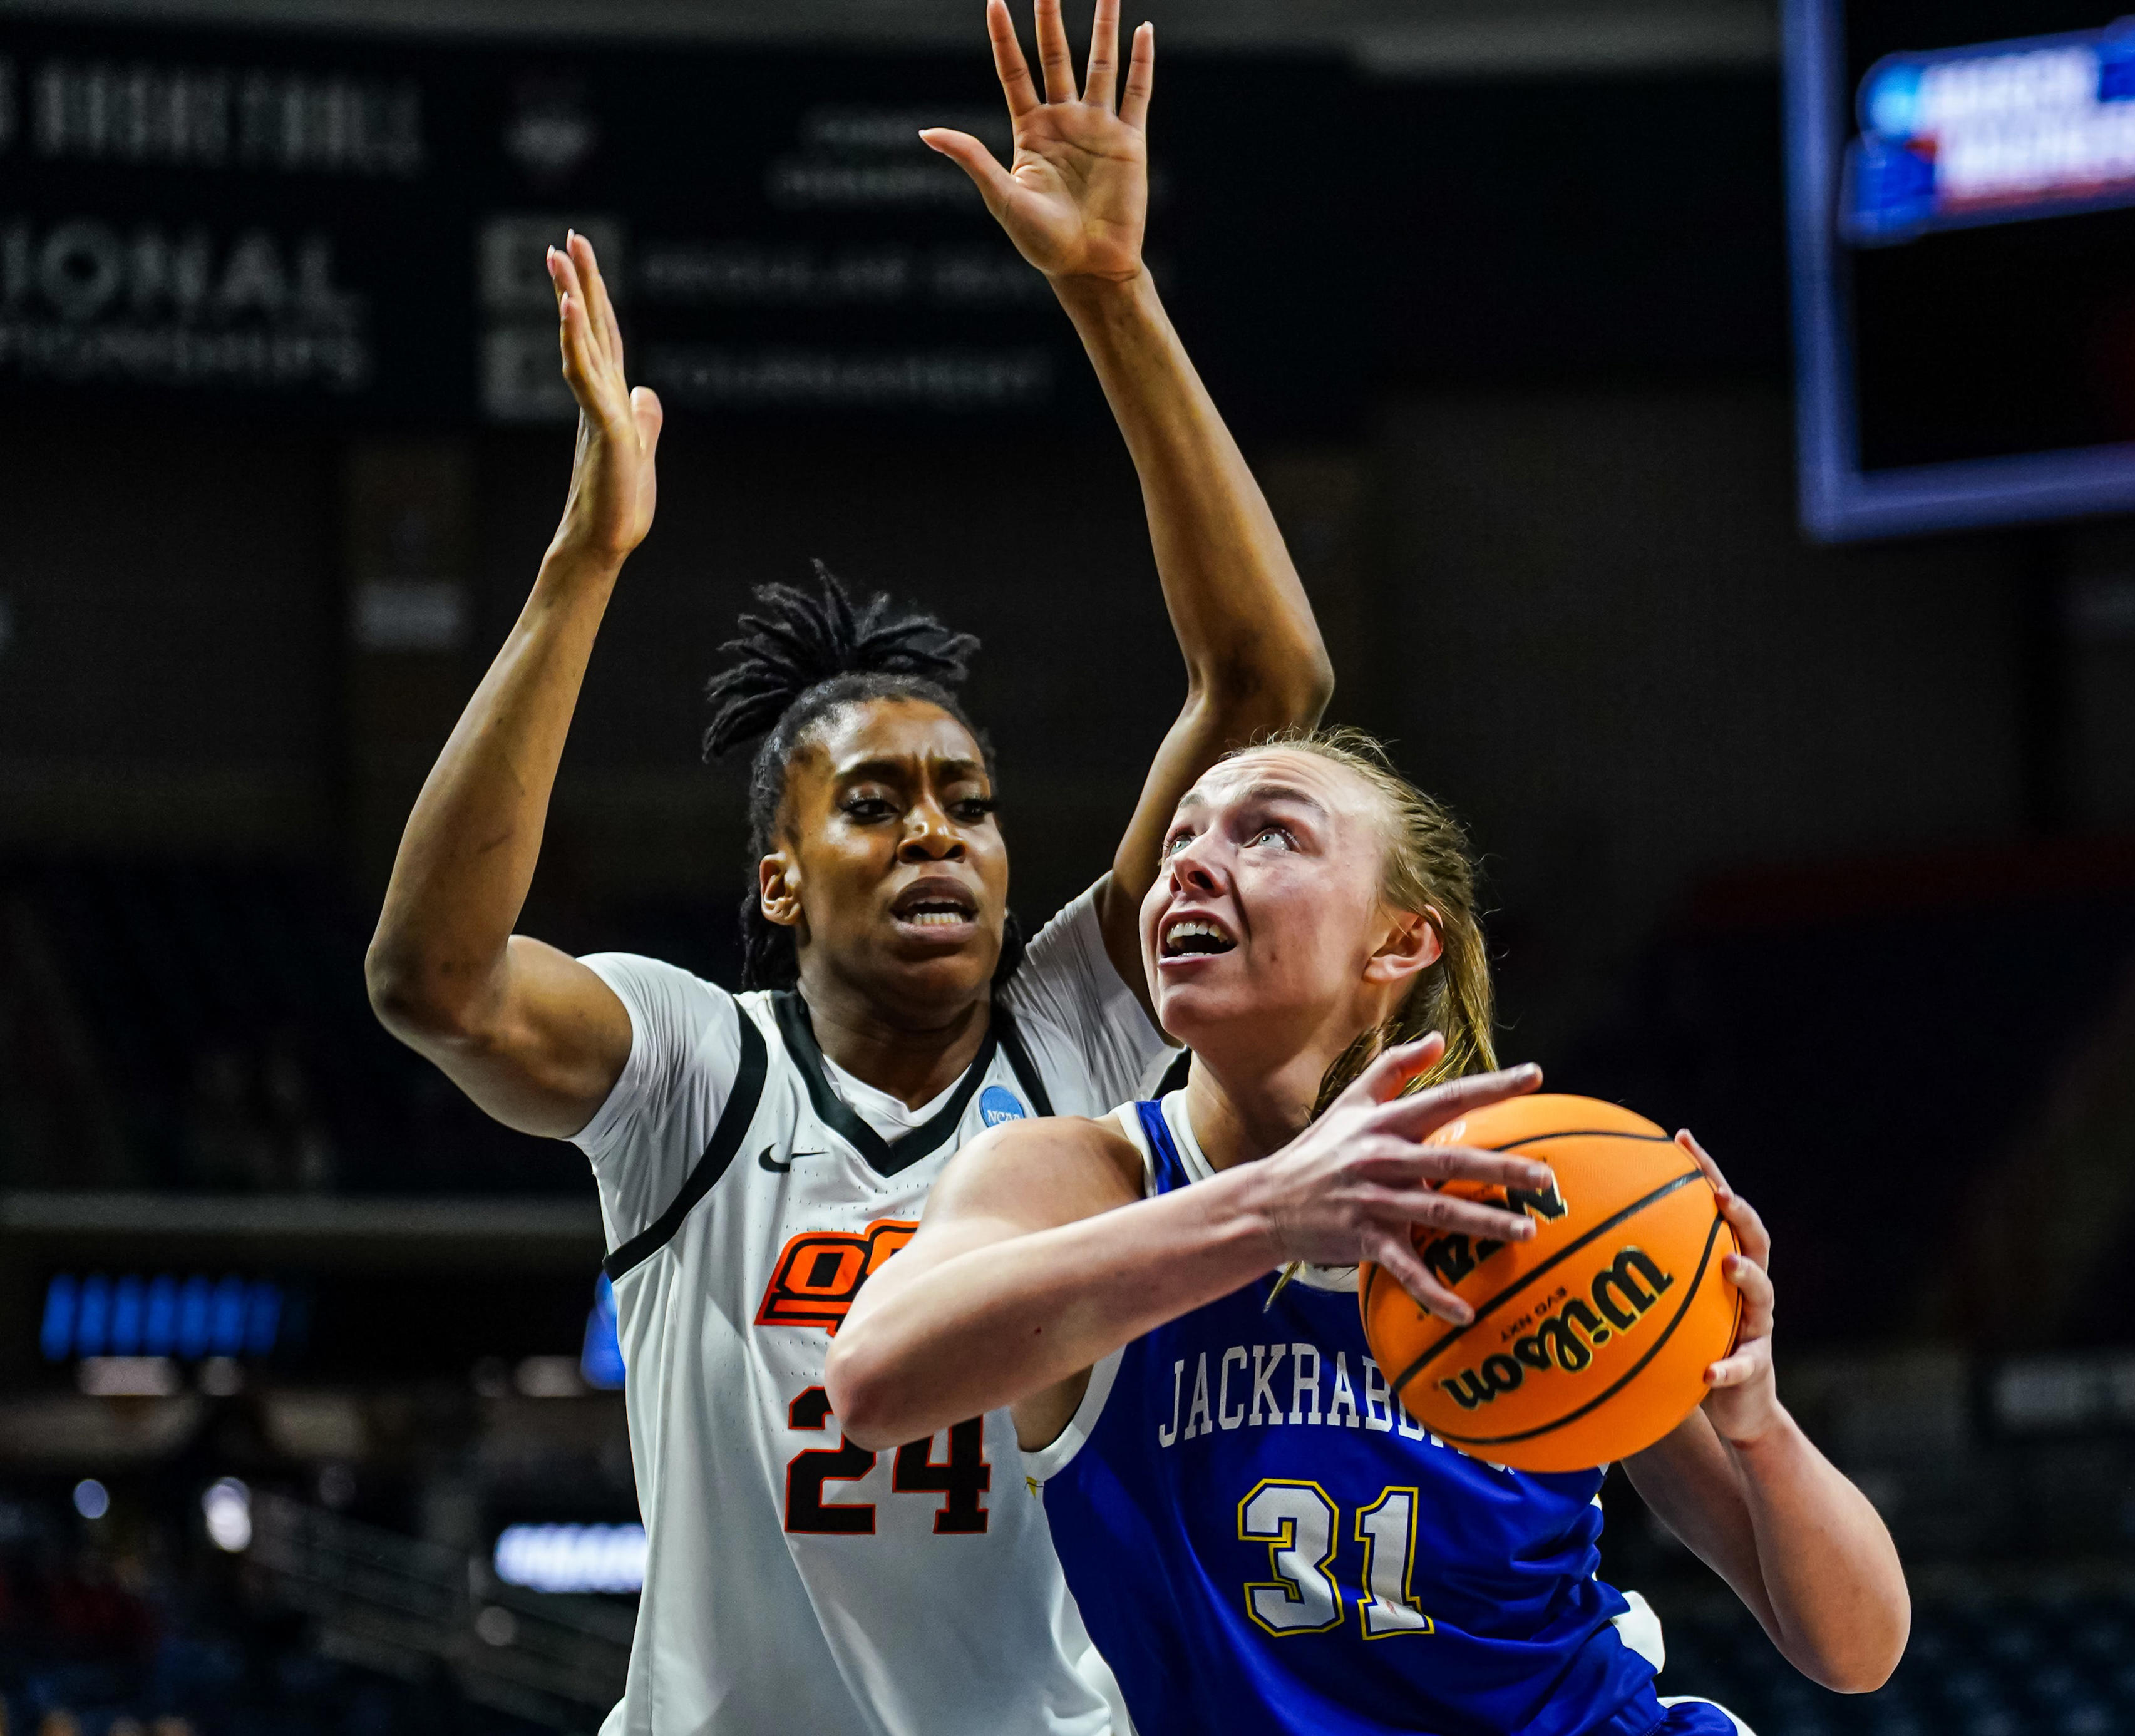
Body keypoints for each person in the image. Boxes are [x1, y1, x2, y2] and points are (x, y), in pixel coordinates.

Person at [363, 1, 1331, 1730]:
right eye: (874, 801)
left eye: (965, 795)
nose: (939, 829)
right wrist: (584, 560)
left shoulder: (1072, 1037)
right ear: (782, 879)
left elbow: (1265, 691)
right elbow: (431, 975)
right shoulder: (697, 1070)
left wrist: (1110, 294)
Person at [825, 730, 1911, 1733]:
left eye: (1269, 831)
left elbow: (1855, 1650)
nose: (1190, 866)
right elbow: (871, 1384)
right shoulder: (1082, 1176)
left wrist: (1757, 1424)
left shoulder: (1534, 1198)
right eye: (1180, 840)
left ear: (1400, 941)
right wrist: (1268, 1214)